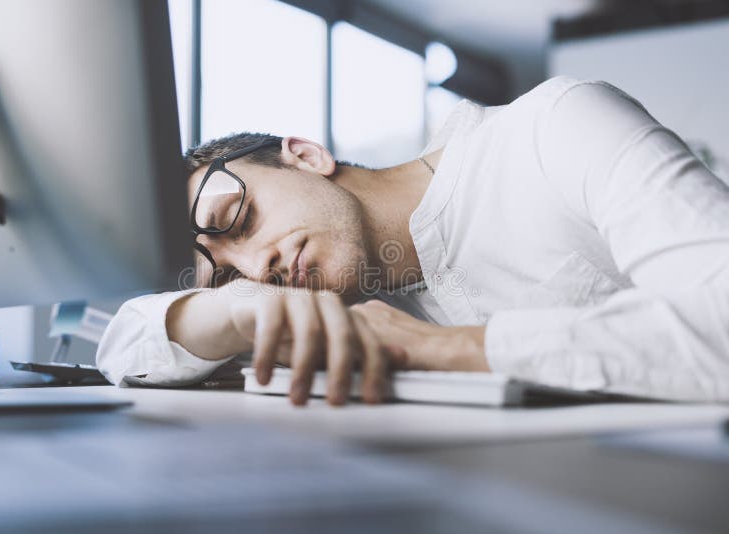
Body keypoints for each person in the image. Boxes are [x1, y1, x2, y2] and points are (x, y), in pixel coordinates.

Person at [96, 76, 729, 406]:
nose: (256, 265)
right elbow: (124, 345)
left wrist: (443, 348)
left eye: (236, 218)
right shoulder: (327, 308)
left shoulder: (557, 128)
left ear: (306, 155)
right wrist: (235, 308)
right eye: (228, 273)